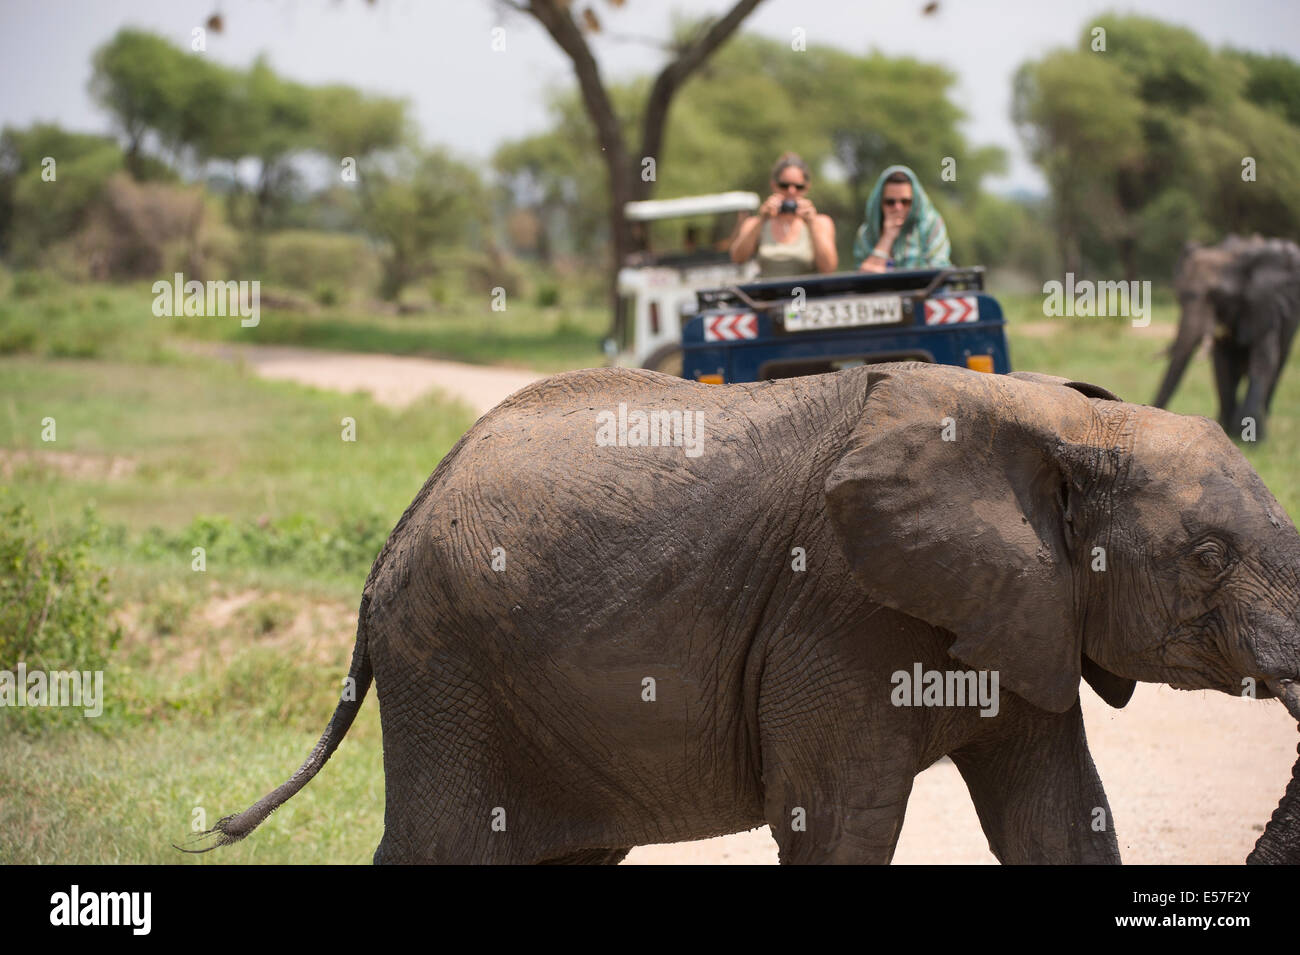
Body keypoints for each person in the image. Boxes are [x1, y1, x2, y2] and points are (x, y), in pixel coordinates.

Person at [730, 153, 838, 277]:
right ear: (774, 185)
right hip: (767, 294)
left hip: (804, 294)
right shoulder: (755, 223)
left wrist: (812, 224)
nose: (791, 191)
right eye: (784, 186)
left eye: (798, 187)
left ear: (806, 188)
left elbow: (829, 268)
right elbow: (737, 258)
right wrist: (761, 220)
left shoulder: (821, 222)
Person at [854, 165, 951, 272]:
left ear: (915, 202)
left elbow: (938, 271)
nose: (898, 207)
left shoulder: (931, 226)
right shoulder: (866, 234)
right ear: (880, 203)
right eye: (890, 202)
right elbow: (864, 278)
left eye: (905, 202)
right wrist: (887, 238)